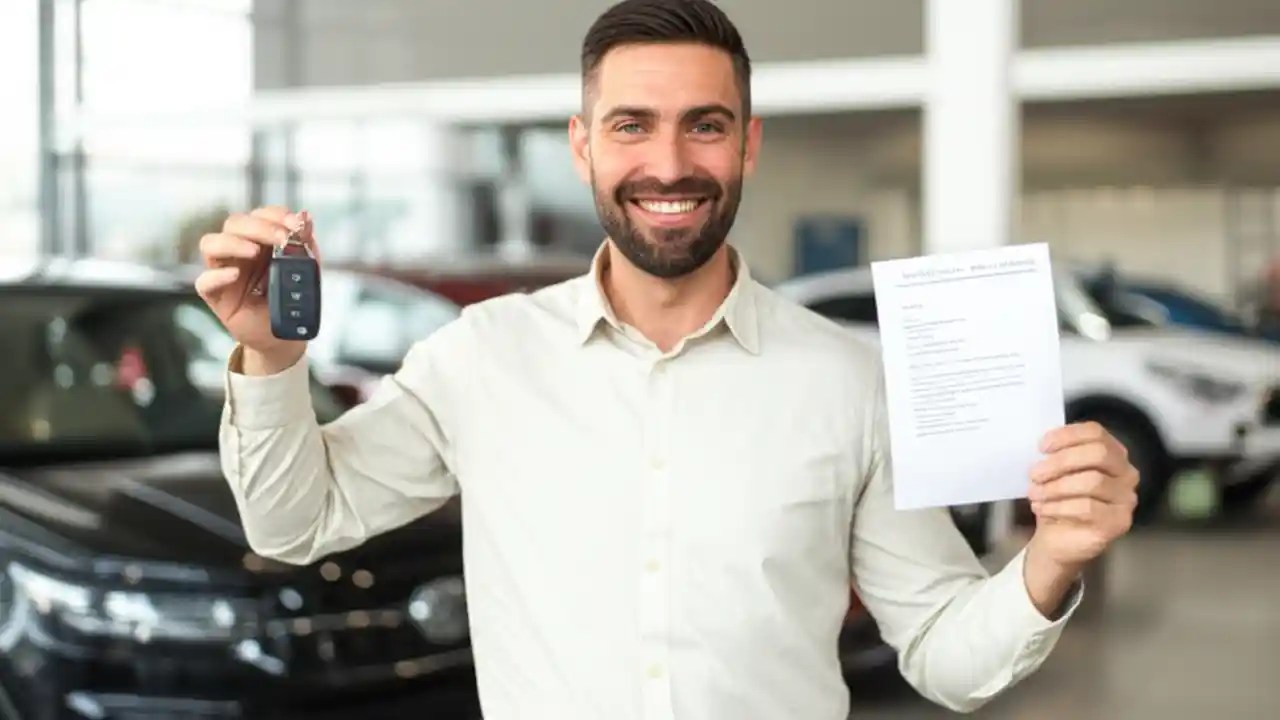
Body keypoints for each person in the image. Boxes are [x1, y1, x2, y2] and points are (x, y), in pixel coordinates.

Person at [195, 0, 1139, 717]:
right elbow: (292, 522)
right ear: (583, 146)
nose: (670, 163)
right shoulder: (481, 358)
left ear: (748, 144)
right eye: (632, 124)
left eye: (706, 124)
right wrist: (271, 359)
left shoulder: (848, 380)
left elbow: (943, 649)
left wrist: (1053, 556)